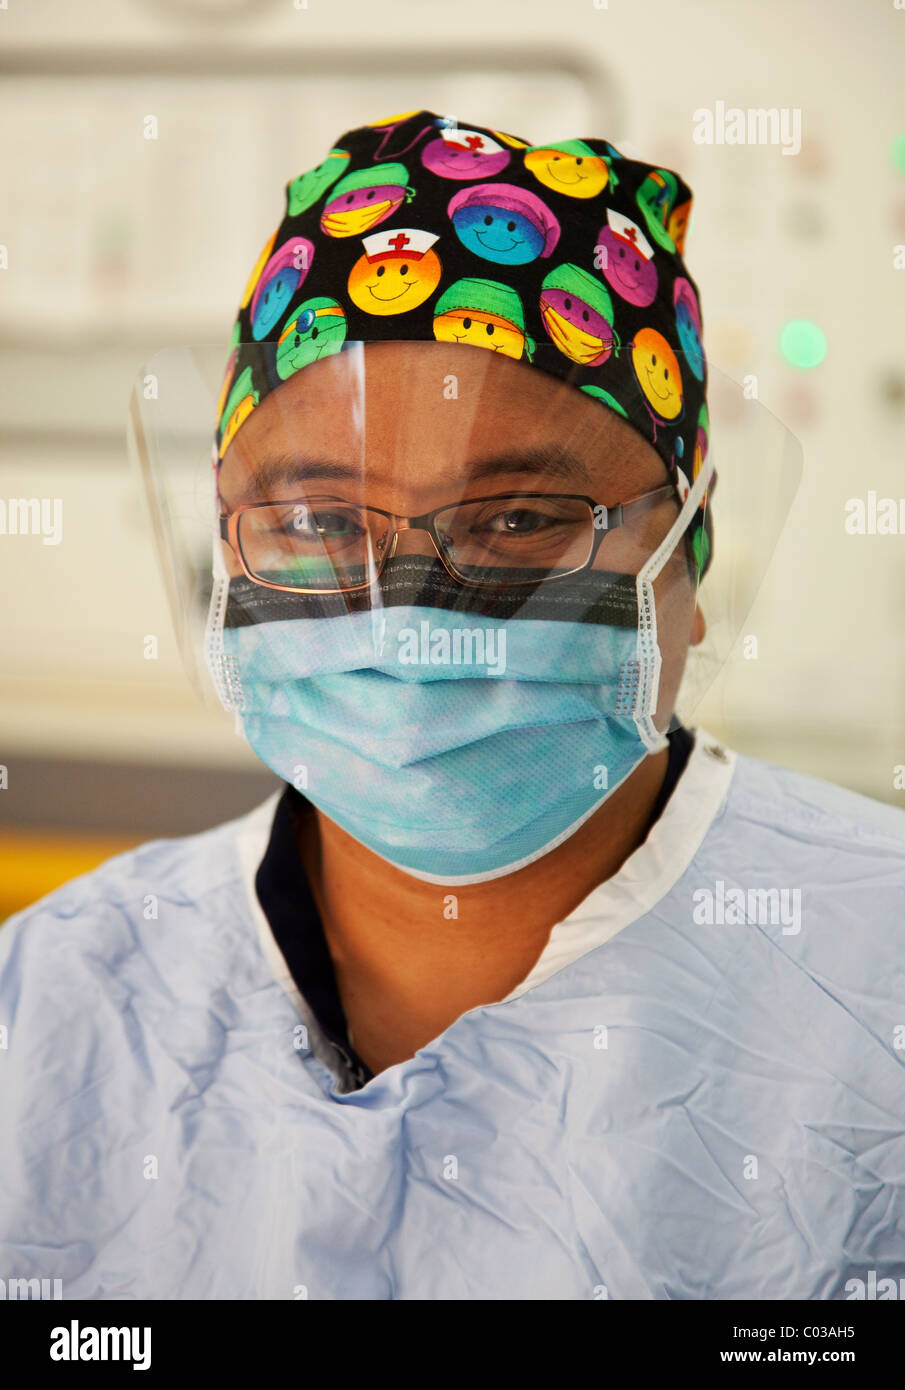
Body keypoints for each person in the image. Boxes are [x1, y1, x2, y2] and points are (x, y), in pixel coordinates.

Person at [0, 109, 903, 1301]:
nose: (412, 615)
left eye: (520, 518)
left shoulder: (869, 968)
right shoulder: (54, 1001)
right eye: (320, 523)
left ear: (687, 562)